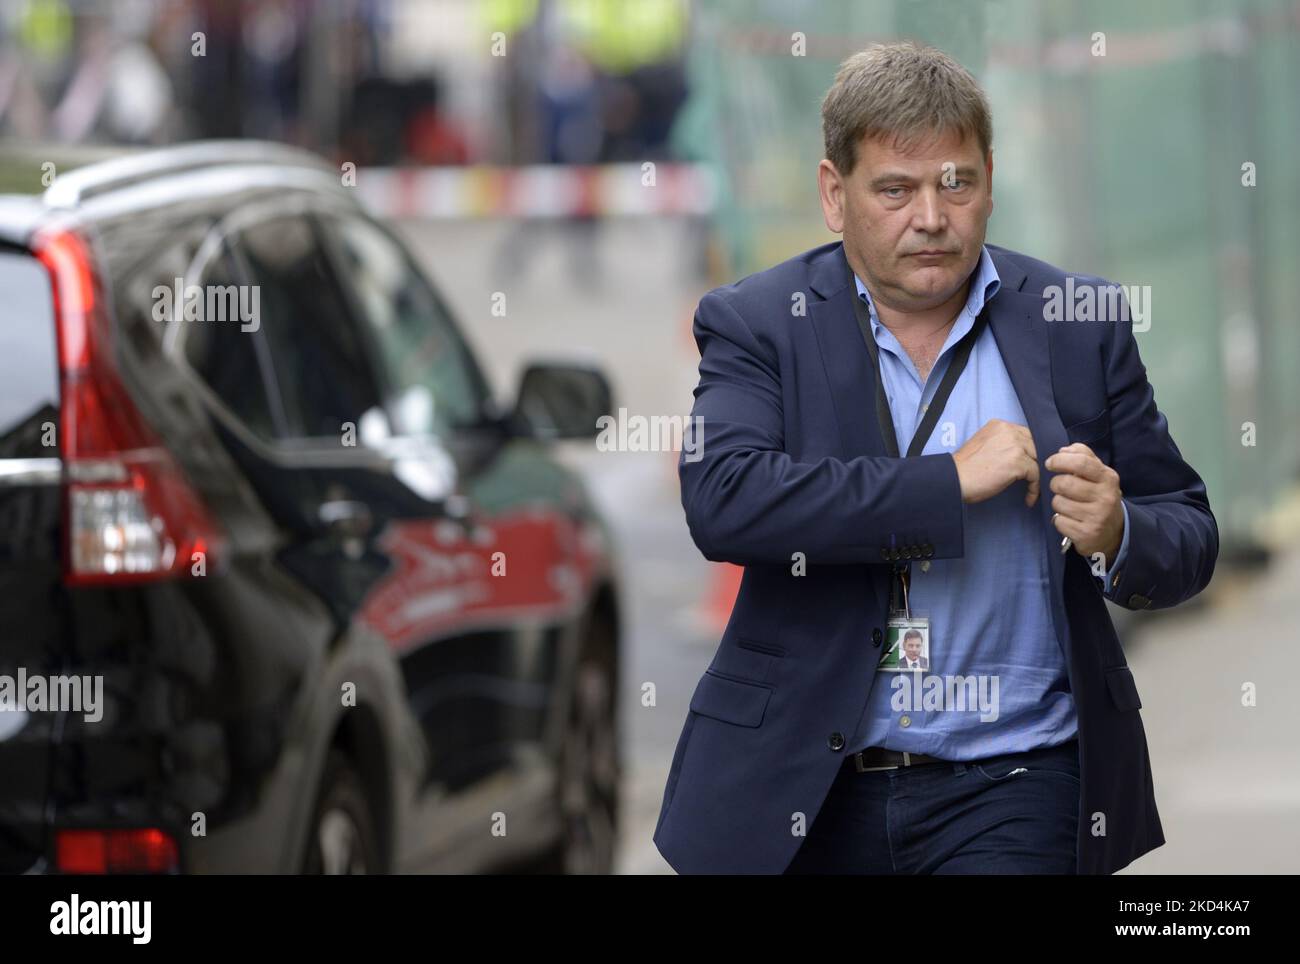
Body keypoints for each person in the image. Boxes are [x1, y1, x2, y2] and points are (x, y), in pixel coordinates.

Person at [653, 41, 1217, 875]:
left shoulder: (1077, 321)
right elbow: (725, 497)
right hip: (808, 787)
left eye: (955, 183)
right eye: (895, 189)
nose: (930, 216)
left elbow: (1191, 532)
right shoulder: (760, 321)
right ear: (834, 195)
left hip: (1017, 780)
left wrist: (1120, 529)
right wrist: (946, 483)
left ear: (989, 178)